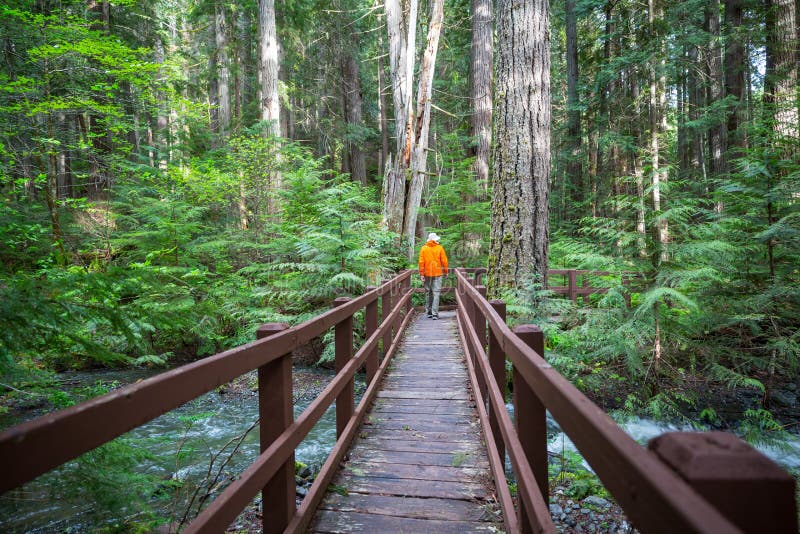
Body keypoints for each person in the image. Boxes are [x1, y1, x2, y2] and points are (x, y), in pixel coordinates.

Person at [418, 232, 449, 319]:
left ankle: (429, 312)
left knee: (428, 292)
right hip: (438, 273)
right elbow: (444, 261)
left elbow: (421, 262)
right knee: (436, 293)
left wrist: (421, 274)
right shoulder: (440, 248)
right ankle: (435, 314)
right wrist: (446, 272)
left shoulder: (424, 248)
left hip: (427, 273)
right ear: (435, 240)